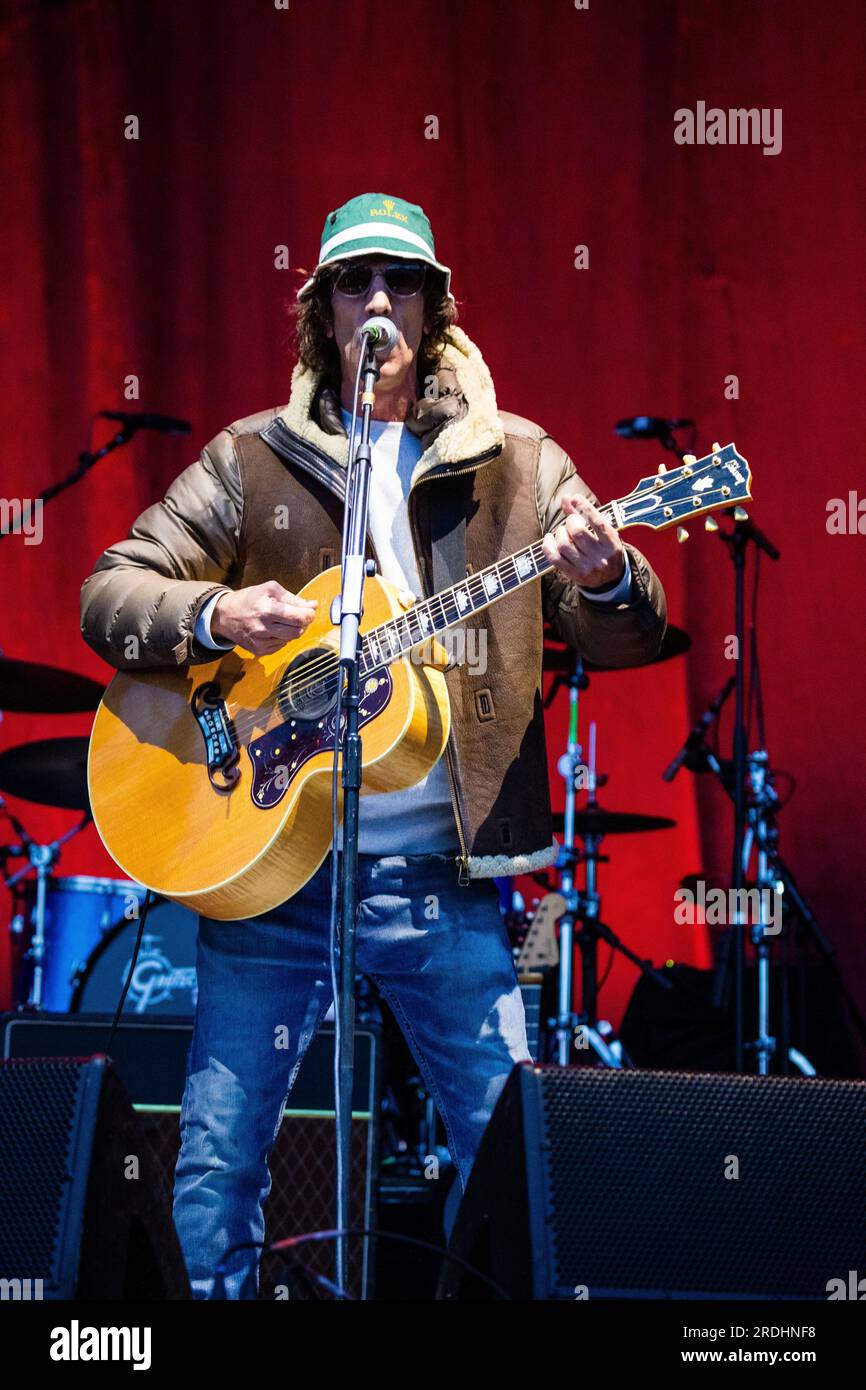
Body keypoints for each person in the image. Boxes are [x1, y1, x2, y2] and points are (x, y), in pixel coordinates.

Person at [80, 192, 667, 1298]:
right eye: (355, 282)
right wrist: (215, 618)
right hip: (267, 874)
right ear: (324, 310)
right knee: (214, 1161)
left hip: (441, 874)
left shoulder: (522, 463)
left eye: (401, 280)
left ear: (434, 306)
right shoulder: (249, 459)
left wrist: (602, 575)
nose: (379, 301)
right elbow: (110, 587)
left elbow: (623, 629)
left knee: (511, 1152)